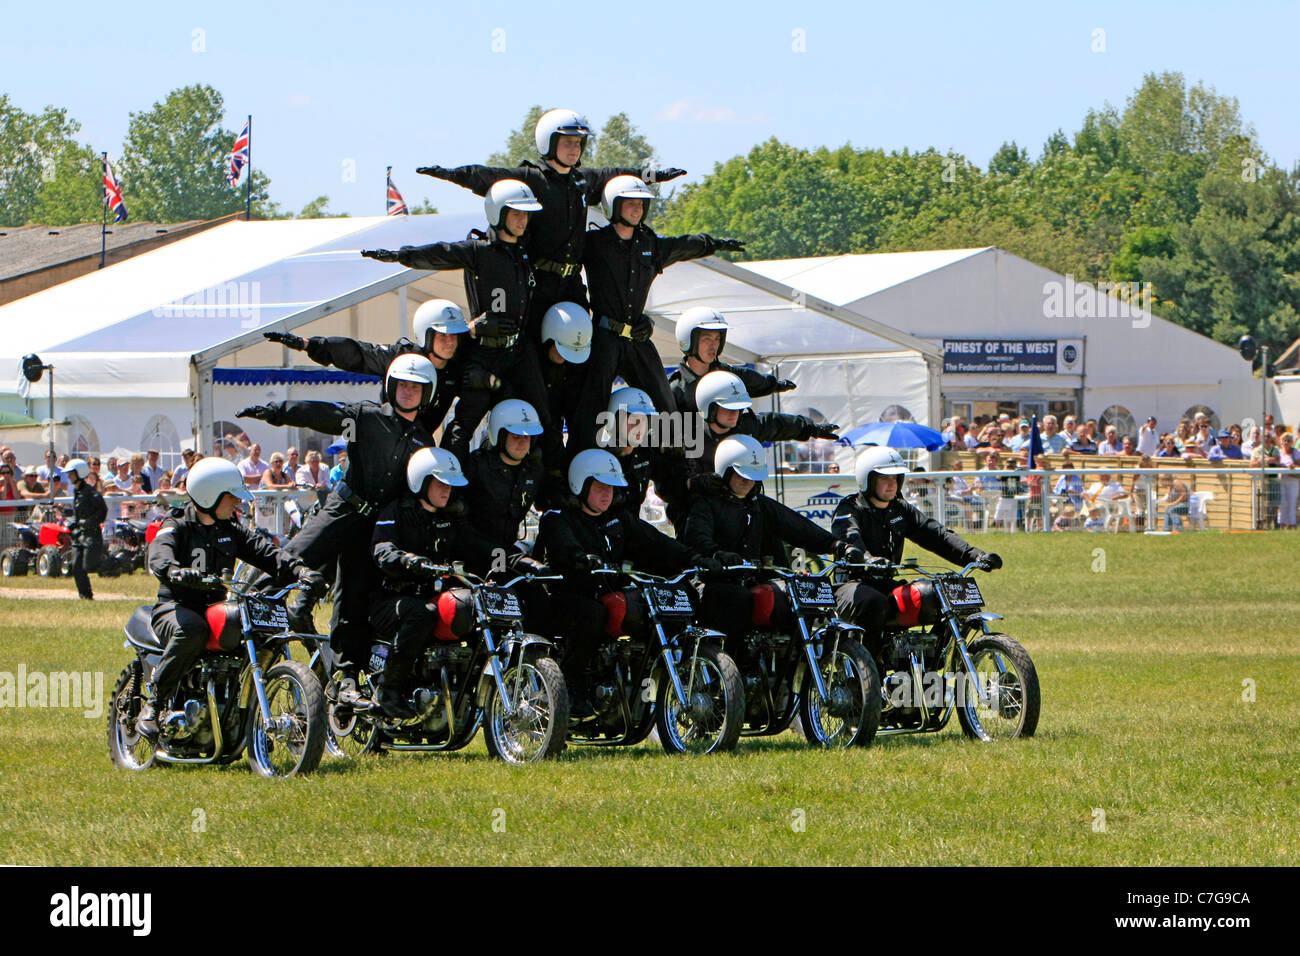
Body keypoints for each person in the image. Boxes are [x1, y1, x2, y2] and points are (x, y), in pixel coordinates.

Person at [236, 354, 438, 669]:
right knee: (290, 561)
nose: (408, 391)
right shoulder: (366, 419)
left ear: (428, 392)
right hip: (342, 510)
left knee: (353, 603)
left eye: (416, 386)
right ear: (391, 386)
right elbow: (325, 415)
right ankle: (238, 623)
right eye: (402, 384)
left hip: (372, 527)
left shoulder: (423, 442)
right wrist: (278, 413)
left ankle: (344, 680)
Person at [416, 108, 687, 332]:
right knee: (534, 344)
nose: (574, 148)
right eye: (567, 141)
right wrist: (450, 174)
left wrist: (658, 176)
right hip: (537, 281)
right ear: (549, 142)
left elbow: (623, 176)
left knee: (581, 341)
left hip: (571, 284)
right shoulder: (531, 178)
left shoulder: (583, 181)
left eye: (579, 142)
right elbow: (487, 176)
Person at [361, 180, 554, 462]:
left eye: (525, 214)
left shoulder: (525, 252)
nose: (523, 220)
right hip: (484, 352)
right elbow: (442, 253)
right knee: (463, 426)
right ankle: (451, 483)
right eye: (515, 213)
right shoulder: (479, 250)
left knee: (541, 418)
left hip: (520, 352)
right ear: (498, 214)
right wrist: (401, 255)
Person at [139, 456, 326, 738]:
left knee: (252, 629)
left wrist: (301, 571)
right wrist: (174, 571)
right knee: (192, 630)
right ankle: (154, 705)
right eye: (232, 497)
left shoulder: (229, 529)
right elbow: (159, 553)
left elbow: (265, 553)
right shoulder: (177, 525)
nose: (237, 503)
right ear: (209, 495)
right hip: (175, 607)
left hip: (215, 605)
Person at [569, 177, 747, 450]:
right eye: (630, 203)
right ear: (614, 206)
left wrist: (714, 244)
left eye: (641, 203)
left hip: (638, 338)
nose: (637, 209)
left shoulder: (649, 244)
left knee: (668, 408)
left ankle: (680, 469)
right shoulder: (594, 243)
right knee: (590, 407)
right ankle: (580, 461)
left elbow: (681, 245)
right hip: (605, 336)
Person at [533, 448, 698, 715]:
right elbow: (565, 545)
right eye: (599, 486)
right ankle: (570, 688)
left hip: (609, 595)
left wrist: (695, 557)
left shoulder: (618, 519)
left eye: (611, 487)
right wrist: (580, 557)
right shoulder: (558, 517)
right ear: (581, 485)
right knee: (592, 614)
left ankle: (638, 687)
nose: (607, 493)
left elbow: (656, 542)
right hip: (564, 599)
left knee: (651, 605)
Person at [831, 446, 1001, 660]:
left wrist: (975, 555)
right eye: (884, 478)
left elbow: (935, 534)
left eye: (896, 478)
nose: (892, 484)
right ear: (868, 479)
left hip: (886, 582)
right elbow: (849, 537)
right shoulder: (850, 508)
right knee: (873, 602)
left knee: (936, 595)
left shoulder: (899, 509)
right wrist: (868, 559)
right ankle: (865, 675)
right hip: (852, 587)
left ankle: (928, 664)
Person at [681, 435, 836, 667]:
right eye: (742, 474)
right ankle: (735, 667)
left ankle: (790, 664)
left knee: (794, 594)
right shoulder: (705, 504)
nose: (748, 481)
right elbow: (696, 537)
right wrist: (716, 554)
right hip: (711, 583)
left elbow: (799, 527)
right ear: (725, 471)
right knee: (738, 599)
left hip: (751, 582)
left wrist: (836, 545)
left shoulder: (760, 505)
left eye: (753, 475)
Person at [369, 447, 496, 718]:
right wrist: (406, 560)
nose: (447, 490)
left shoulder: (449, 519)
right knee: (422, 614)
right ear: (421, 482)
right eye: (441, 483)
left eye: (450, 484)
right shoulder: (396, 512)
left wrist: (515, 558)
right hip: (391, 600)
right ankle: (388, 690)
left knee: (474, 609)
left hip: (433, 595)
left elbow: (478, 546)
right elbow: (382, 548)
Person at [657, 370, 839, 530]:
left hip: (738, 514)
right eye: (727, 407)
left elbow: (774, 424)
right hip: (696, 519)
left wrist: (811, 429)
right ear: (709, 407)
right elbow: (664, 485)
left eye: (738, 408)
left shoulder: (744, 425)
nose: (734, 413)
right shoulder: (686, 433)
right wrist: (692, 484)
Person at [263, 298, 470, 439]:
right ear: (426, 333)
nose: (449, 342)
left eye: (454, 335)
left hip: (420, 447)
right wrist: (311, 345)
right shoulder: (401, 357)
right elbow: (360, 354)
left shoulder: (459, 368)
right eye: (442, 335)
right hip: (384, 438)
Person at [667, 306, 795, 414]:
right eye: (707, 339)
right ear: (688, 340)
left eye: (717, 339)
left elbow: (755, 382)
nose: (714, 346)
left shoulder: (729, 376)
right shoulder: (673, 389)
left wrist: (777, 385)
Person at [63, 459, 107, 600]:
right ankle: (85, 596)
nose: (69, 476)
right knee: (76, 566)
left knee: (90, 565)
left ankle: (116, 563)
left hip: (91, 535)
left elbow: (102, 510)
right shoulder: (77, 492)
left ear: (79, 473)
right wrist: (74, 523)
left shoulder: (90, 491)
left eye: (71, 473)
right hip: (79, 535)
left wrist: (88, 523)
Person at [1276, 432, 1299, 529]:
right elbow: (1276, 464)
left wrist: (1293, 466)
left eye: (1288, 440)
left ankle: (1292, 524)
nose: (1286, 442)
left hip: (1293, 480)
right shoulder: (1278, 452)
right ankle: (1282, 523)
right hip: (1281, 480)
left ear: (1292, 442)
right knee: (1282, 503)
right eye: (1284, 440)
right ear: (1281, 442)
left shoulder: (1296, 452)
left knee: (1292, 503)